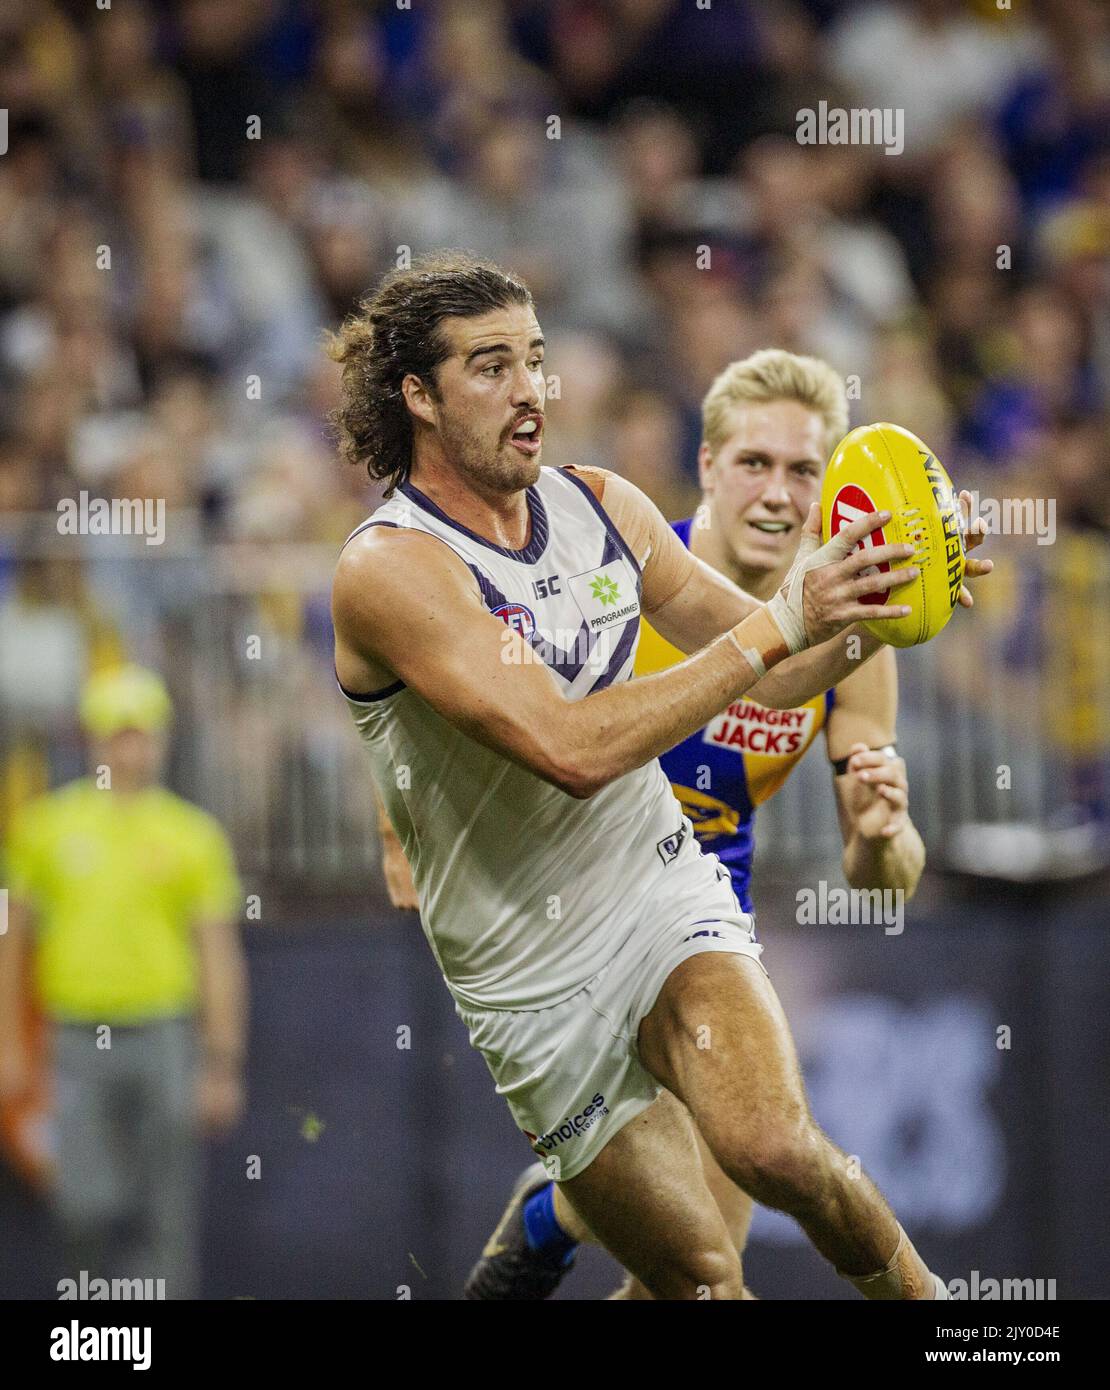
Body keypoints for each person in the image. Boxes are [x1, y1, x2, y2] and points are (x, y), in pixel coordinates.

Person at [329, 253, 989, 1301]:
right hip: (522, 971)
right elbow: (569, 748)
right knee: (698, 1274)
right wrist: (784, 621)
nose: (531, 392)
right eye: (491, 367)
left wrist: (892, 586)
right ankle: (557, 1210)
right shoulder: (387, 567)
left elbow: (781, 682)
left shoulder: (604, 507)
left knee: (780, 1151)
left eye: (536, 362)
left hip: (661, 891)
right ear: (418, 394)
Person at [464, 347, 968, 1299]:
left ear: (833, 487)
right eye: (753, 463)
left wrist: (878, 832)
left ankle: (551, 1213)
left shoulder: (854, 632)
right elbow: (468, 689)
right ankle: (557, 1209)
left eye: (802, 469)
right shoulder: (634, 579)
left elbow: (886, 879)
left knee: (704, 1279)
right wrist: (392, 826)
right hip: (571, 916)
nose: (778, 494)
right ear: (705, 468)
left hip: (701, 919)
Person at [0, 665, 246, 1299]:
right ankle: (90, 1330)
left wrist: (221, 1061)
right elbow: (13, 942)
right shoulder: (45, 828)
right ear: (92, 741)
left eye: (140, 734)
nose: (129, 749)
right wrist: (10, 1044)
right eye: (116, 734)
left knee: (167, 1210)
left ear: (159, 740)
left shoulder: (192, 835)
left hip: (164, 1035)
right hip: (77, 1041)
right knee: (80, 1203)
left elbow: (218, 954)